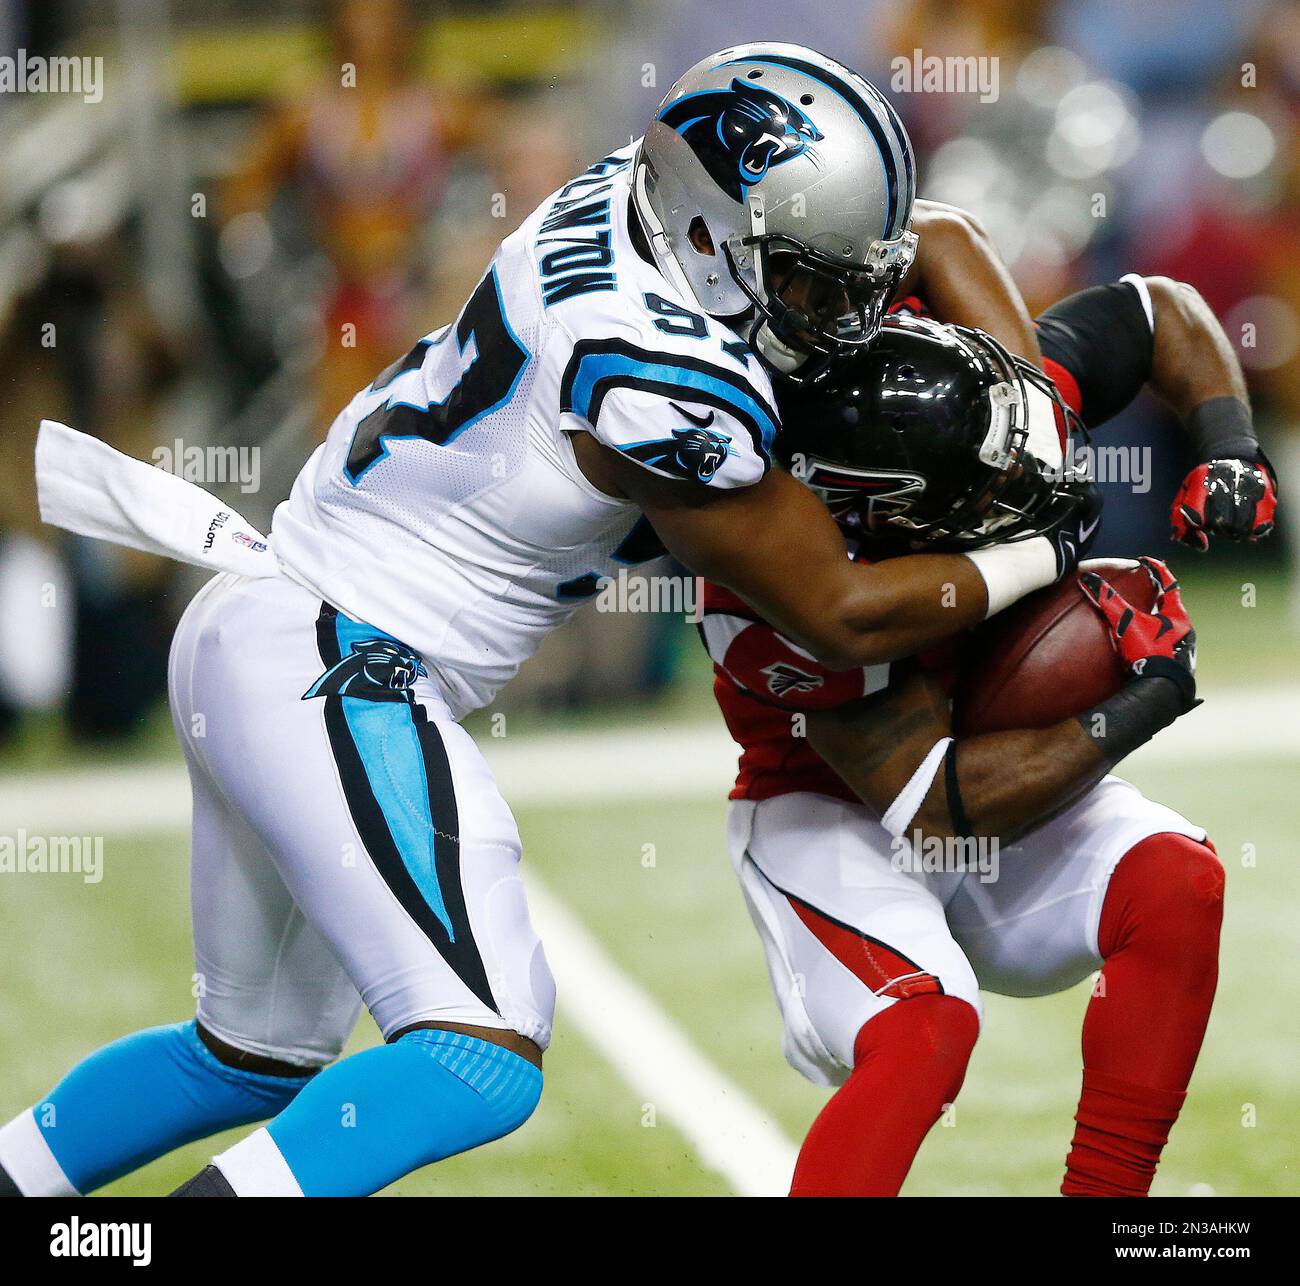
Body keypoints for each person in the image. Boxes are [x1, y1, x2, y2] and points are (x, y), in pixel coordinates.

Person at [4, 44, 1094, 1198]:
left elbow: (936, 235)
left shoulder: (655, 191)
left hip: (272, 630)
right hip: (337, 660)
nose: (841, 316)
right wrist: (1036, 547)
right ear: (715, 239)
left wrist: (1030, 411)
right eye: (814, 283)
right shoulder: (655, 375)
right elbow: (838, 612)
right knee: (481, 1049)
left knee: (249, 1055)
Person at [698, 274, 1276, 1196]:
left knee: (1177, 882)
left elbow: (1160, 310)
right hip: (835, 816)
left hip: (974, 778)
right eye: (987, 487)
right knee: (923, 1029)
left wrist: (1231, 447)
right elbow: (936, 810)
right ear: (895, 518)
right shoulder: (777, 592)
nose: (1025, 482)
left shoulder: (972, 402)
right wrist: (1143, 698)